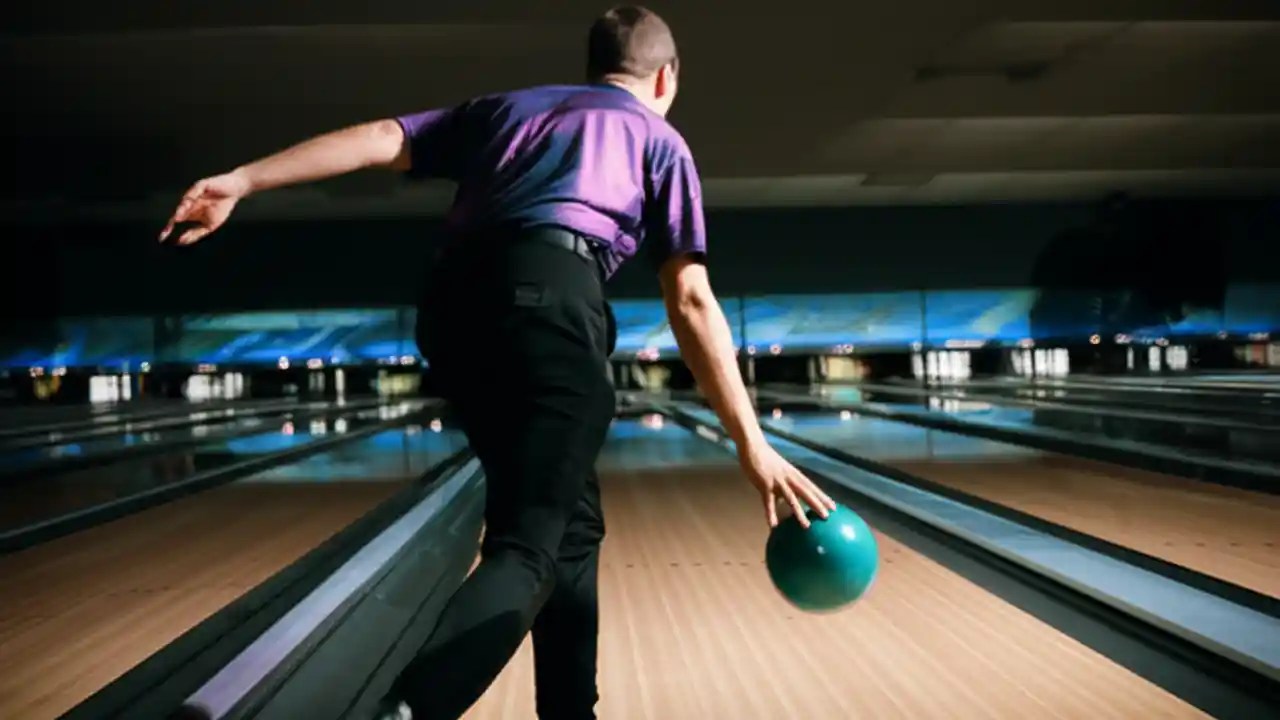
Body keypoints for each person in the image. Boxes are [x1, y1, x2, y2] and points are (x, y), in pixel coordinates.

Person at [159, 6, 835, 719]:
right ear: (667, 76)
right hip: (552, 306)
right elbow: (691, 299)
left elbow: (376, 139)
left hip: (452, 312)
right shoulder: (657, 139)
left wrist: (241, 179)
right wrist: (752, 444)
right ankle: (410, 708)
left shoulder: (505, 110)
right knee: (527, 549)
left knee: (569, 527)